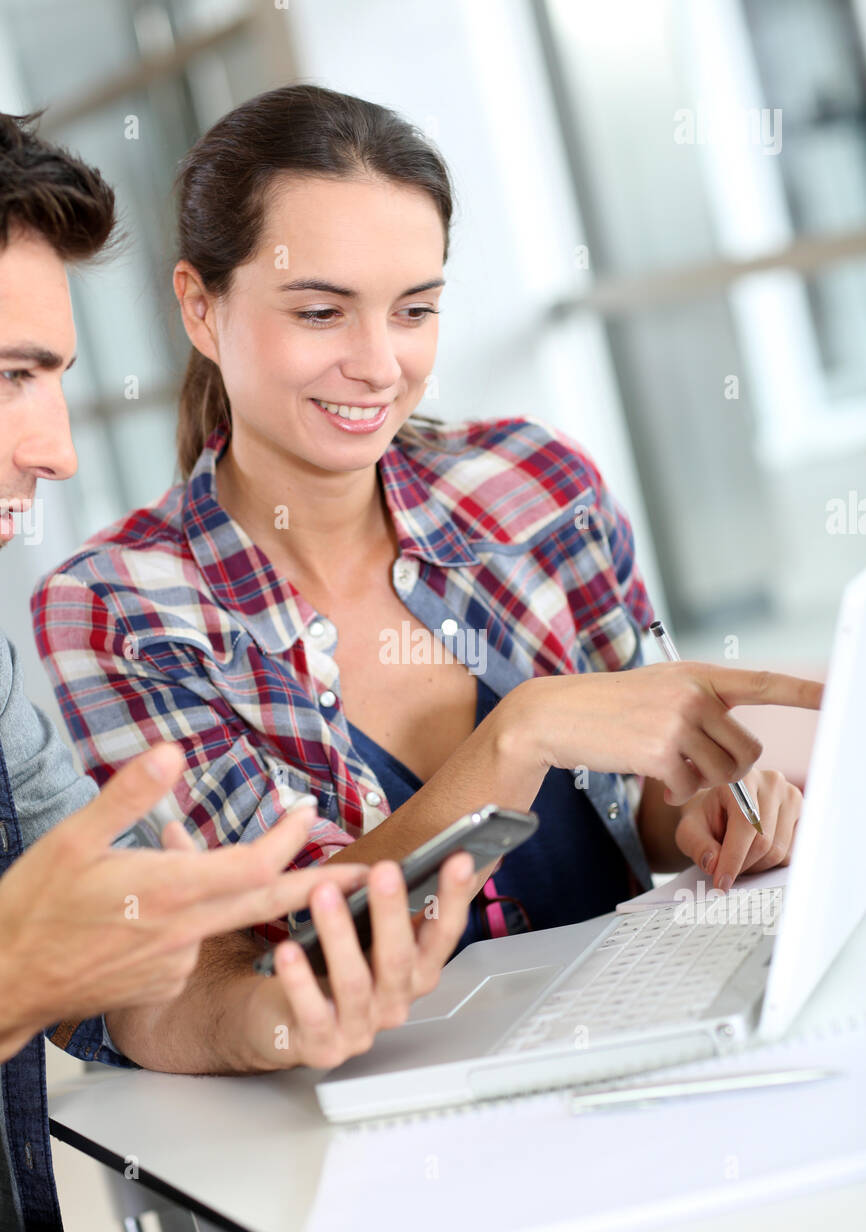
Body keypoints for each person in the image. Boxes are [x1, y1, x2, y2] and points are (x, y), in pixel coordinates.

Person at [31, 84, 822, 1082]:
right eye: (320, 311)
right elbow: (288, 941)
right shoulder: (120, 608)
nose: (377, 364)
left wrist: (716, 815)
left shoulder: (534, 484)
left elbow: (653, 804)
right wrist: (518, 733)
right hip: (371, 1117)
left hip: (640, 1047)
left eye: (413, 310)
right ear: (200, 306)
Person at [0, 109, 476, 1232]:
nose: (55, 450)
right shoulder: (116, 602)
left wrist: (269, 1014)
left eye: (48, 377)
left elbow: (136, 983)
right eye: (6, 378)